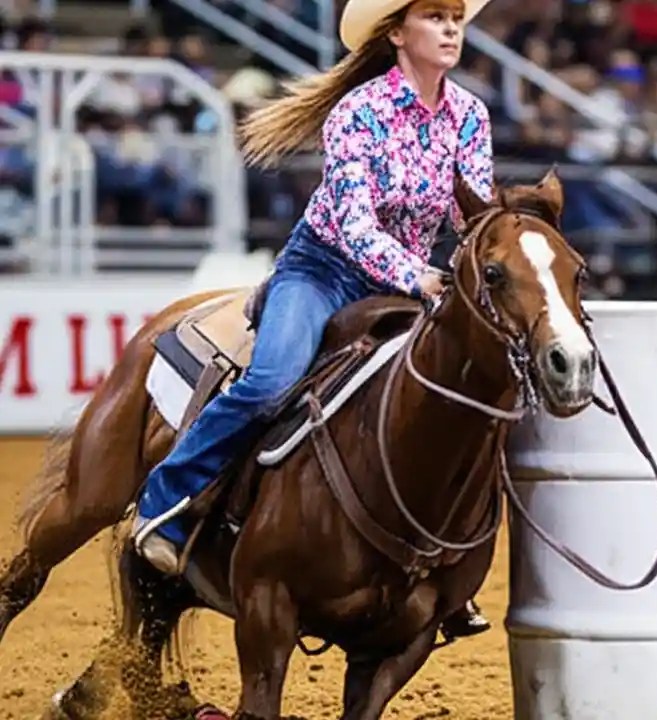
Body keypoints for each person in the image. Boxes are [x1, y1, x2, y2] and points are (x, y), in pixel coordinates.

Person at [130, 0, 497, 640]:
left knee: (457, 394)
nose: (451, 28)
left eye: (457, 18)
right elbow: (352, 223)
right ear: (397, 32)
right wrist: (420, 276)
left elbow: (474, 213)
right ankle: (168, 502)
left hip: (410, 278)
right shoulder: (358, 112)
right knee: (271, 380)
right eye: (435, 16)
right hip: (324, 270)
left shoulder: (470, 116)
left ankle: (441, 564)